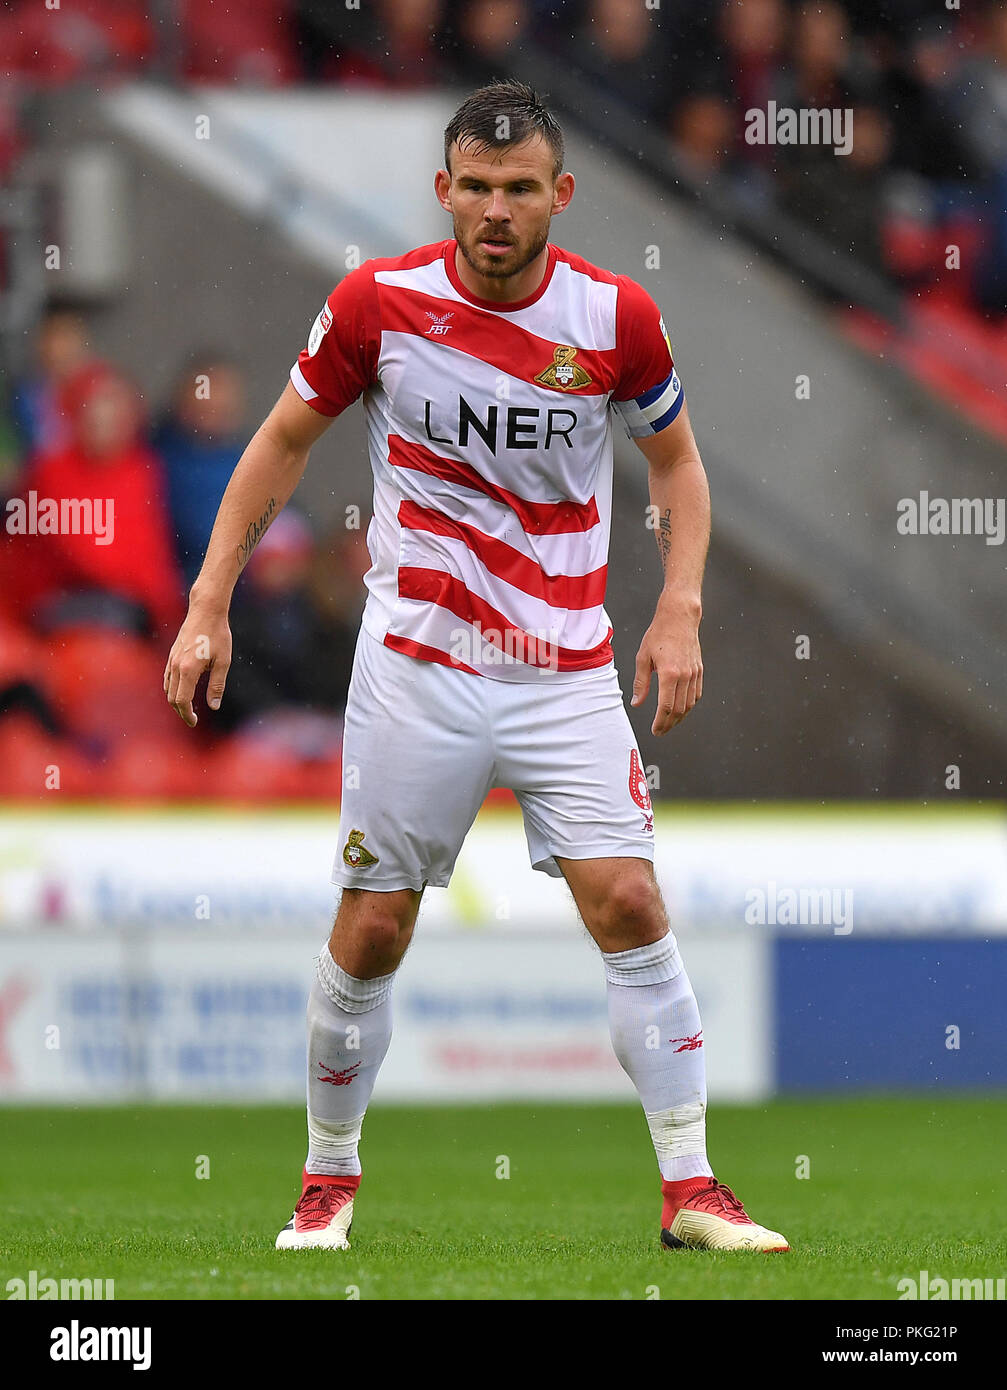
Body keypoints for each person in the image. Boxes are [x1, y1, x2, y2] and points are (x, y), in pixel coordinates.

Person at [164, 80, 789, 1255]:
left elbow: (679, 471)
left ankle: (691, 1191)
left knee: (631, 901)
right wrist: (209, 601)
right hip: (417, 668)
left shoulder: (615, 320)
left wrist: (680, 612)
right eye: (475, 187)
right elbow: (280, 446)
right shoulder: (377, 304)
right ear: (442, 189)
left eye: (518, 189)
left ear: (560, 193)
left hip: (563, 670)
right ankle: (327, 1180)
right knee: (375, 928)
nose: (494, 210)